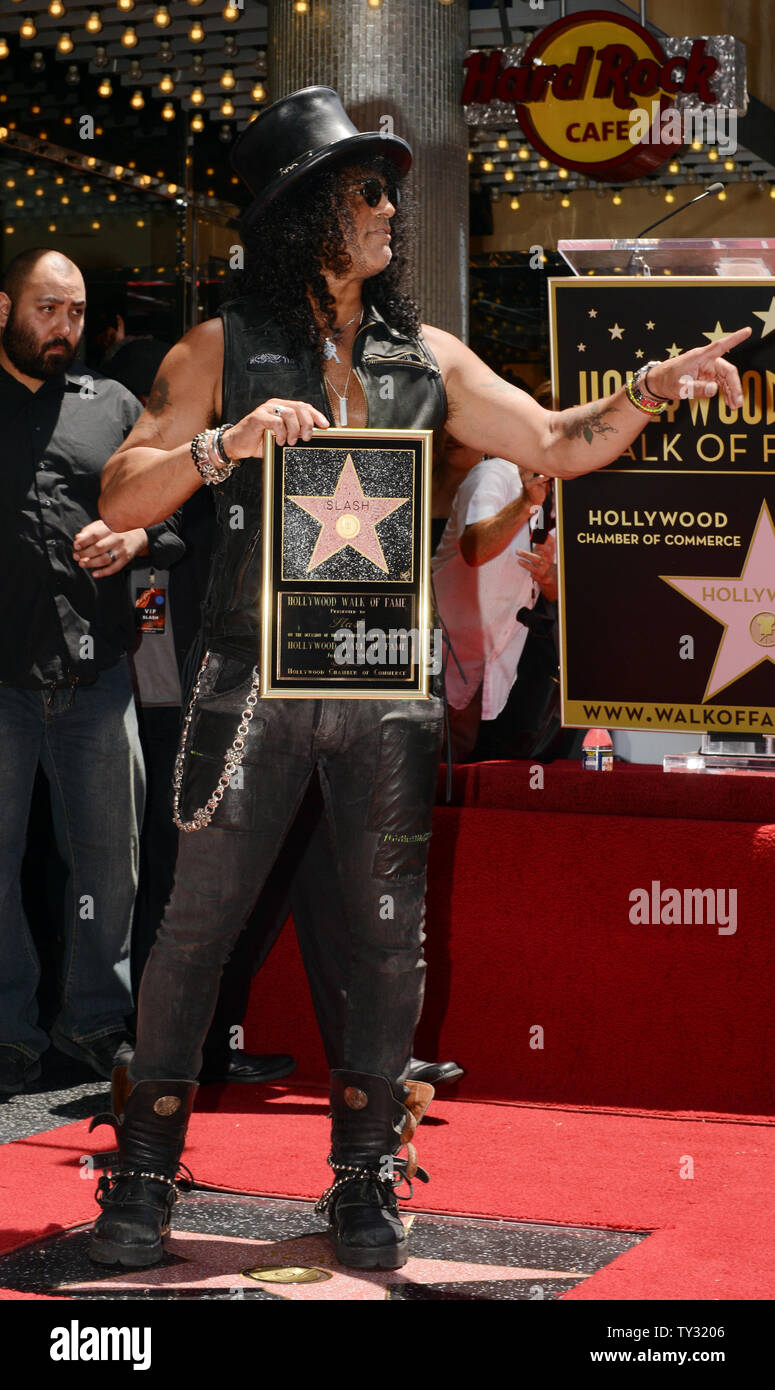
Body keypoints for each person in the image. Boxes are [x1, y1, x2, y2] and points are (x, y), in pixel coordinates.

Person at [88, 87, 749, 1272]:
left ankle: (365, 1182)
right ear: (304, 214)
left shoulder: (426, 355)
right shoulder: (219, 350)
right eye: (364, 190)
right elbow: (122, 495)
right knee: (194, 930)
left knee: (391, 939)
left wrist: (652, 385)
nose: (389, 207)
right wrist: (219, 444)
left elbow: (553, 440)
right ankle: (139, 1176)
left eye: (387, 187)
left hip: (384, 690)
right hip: (250, 686)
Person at [0, 248, 169, 1094]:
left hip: (98, 675)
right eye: (45, 310)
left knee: (110, 864)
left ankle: (96, 1022)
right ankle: (10, 1032)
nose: (63, 327)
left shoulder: (114, 407)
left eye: (73, 312)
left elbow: (180, 506)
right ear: (4, 307)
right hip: (0, 680)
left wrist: (138, 538)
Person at [432, 460, 556, 760]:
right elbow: (475, 550)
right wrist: (526, 503)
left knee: (479, 765)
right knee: (438, 764)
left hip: (505, 658)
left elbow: (556, 591)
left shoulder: (562, 495)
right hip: (448, 652)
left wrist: (548, 574)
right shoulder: (493, 474)